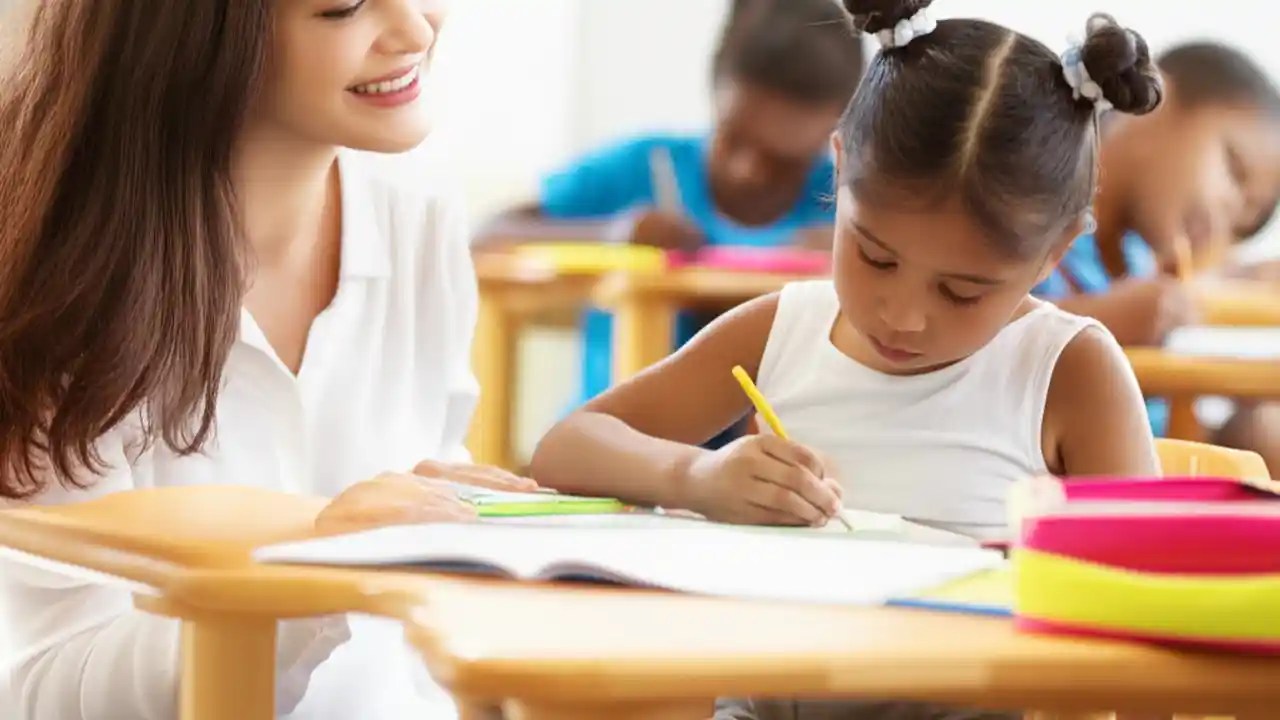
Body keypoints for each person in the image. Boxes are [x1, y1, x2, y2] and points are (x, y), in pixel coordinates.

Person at [531, 1, 1161, 716]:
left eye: (962, 292)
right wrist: (696, 476)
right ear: (839, 165)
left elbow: (1146, 609)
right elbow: (566, 447)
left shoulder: (1068, 371)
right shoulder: (783, 329)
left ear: (1056, 251)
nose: (903, 315)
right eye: (875, 257)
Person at [0, 1, 531, 718]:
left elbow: (417, 639)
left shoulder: (420, 215)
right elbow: (42, 689)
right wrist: (311, 575)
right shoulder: (65, 286)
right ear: (201, 30)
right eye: (344, 7)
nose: (415, 30)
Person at [480, 0, 866, 405]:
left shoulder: (850, 206)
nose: (747, 171)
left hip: (773, 441)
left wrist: (855, 257)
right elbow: (487, 236)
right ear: (715, 86)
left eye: (782, 163)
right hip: (605, 432)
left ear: (841, 129)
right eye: (733, 137)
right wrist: (613, 234)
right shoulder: (643, 169)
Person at [1036, 40, 1280, 459]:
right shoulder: (1034, 209)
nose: (1227, 212)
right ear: (1158, 97)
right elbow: (974, 337)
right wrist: (1106, 319)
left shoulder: (1140, 265)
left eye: (1243, 223)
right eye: (1233, 168)